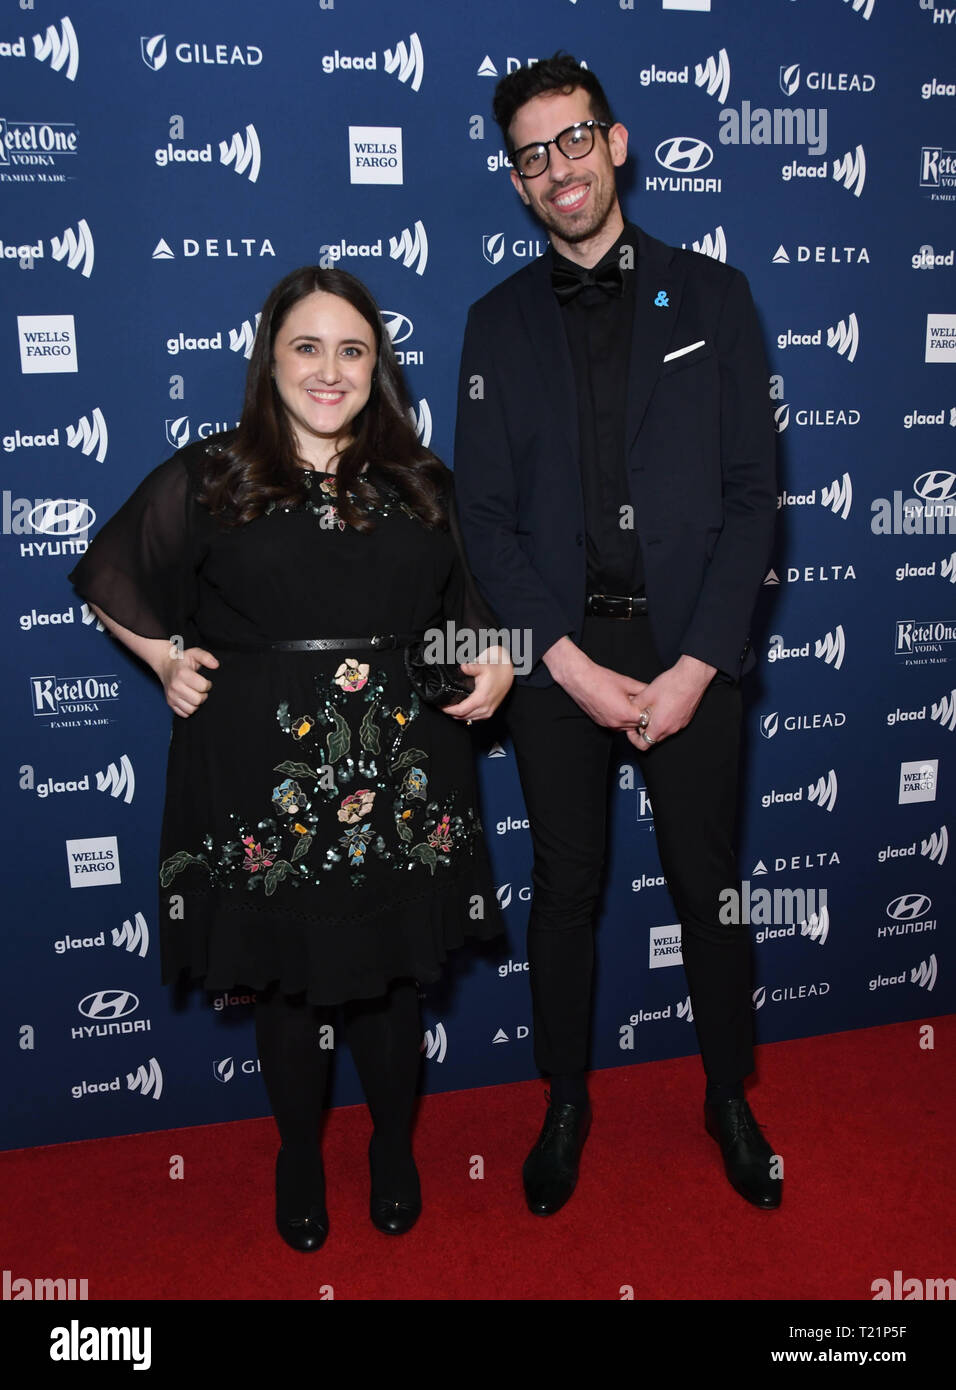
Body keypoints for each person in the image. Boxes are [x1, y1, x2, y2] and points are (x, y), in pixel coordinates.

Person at [69, 266, 512, 1252]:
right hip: (268, 781)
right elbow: (109, 569)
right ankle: (300, 1156)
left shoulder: (420, 481)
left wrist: (494, 669)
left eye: (350, 349)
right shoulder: (214, 474)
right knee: (285, 984)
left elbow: (465, 621)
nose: (329, 369)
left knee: (393, 983)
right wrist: (163, 657)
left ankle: (391, 1150)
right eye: (306, 346)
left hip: (400, 775)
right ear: (270, 359)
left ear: (376, 367)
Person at [453, 55, 780, 1215]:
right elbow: (480, 520)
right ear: (517, 182)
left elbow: (752, 496)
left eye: (572, 139)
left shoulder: (715, 298)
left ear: (616, 141)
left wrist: (694, 666)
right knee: (566, 889)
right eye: (531, 154)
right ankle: (563, 1100)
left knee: (709, 885)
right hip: (557, 655)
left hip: (692, 642)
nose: (557, 167)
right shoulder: (492, 324)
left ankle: (729, 1096)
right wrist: (572, 666)